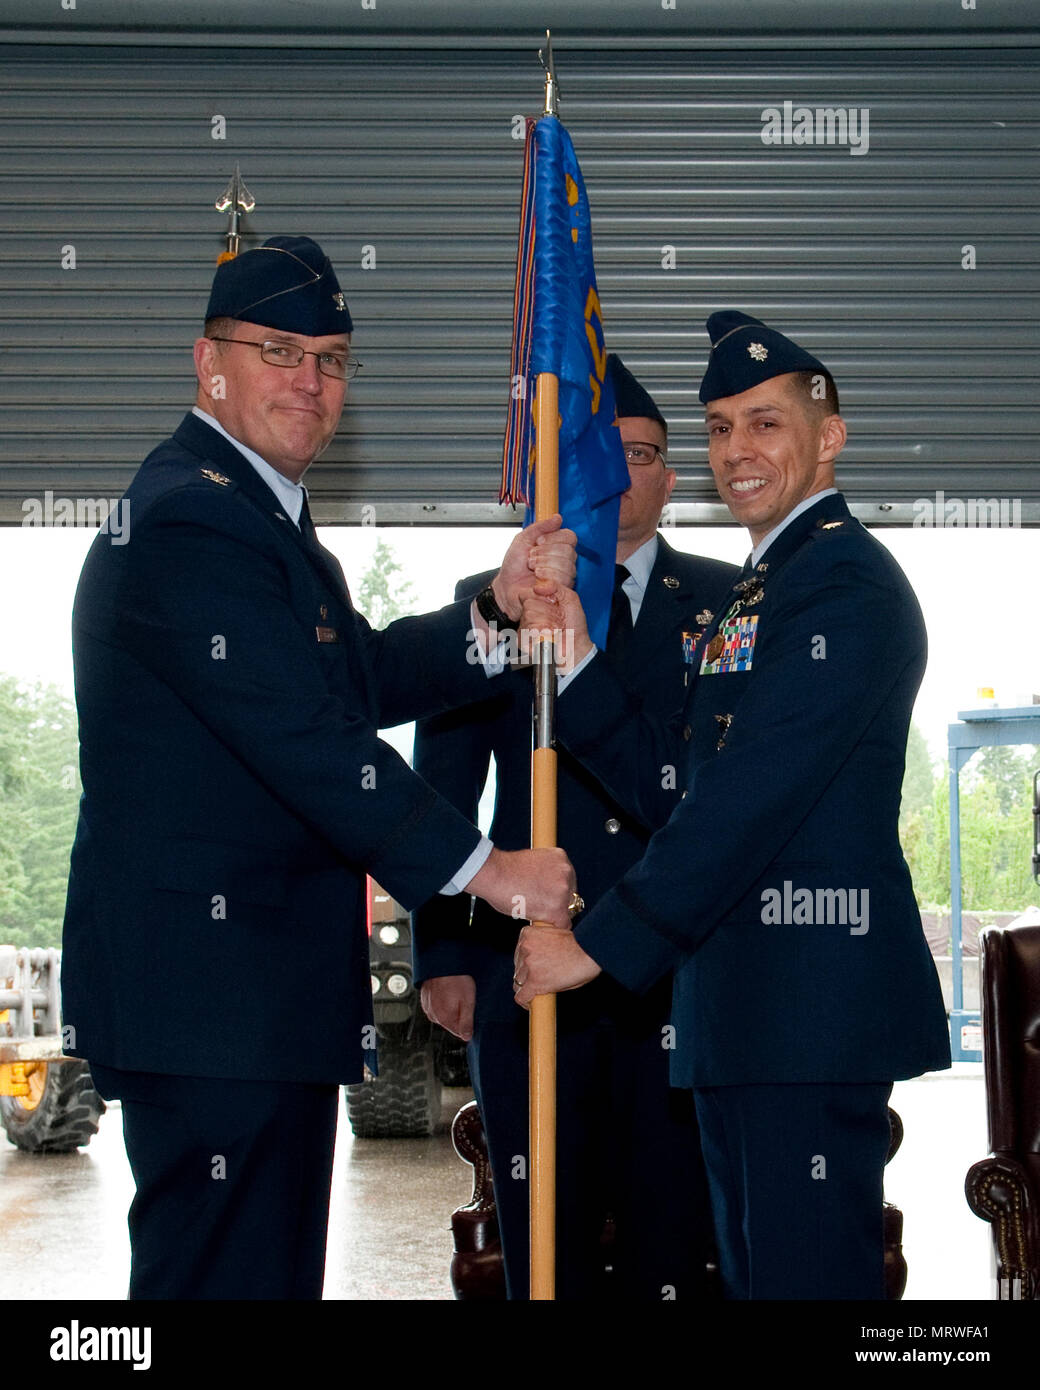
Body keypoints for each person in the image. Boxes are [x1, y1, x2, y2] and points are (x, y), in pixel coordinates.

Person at [60, 235, 577, 1300]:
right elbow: (305, 739)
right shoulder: (191, 517)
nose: (311, 380)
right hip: (214, 999)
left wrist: (491, 604)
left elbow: (358, 677)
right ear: (208, 361)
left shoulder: (259, 517)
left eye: (332, 359)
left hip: (250, 999)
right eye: (279, 350)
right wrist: (489, 869)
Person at [514, 311, 951, 1300]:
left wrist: (597, 945)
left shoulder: (843, 586)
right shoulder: (760, 593)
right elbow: (682, 782)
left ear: (827, 435)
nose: (733, 451)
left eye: (762, 423)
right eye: (716, 429)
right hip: (742, 1013)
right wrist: (575, 654)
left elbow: (750, 797)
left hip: (805, 1009)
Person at [413, 355, 738, 1300]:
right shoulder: (502, 597)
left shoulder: (721, 606)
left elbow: (723, 796)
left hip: (667, 974)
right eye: (602, 455)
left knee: (670, 1241)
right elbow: (444, 783)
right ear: (566, 473)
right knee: (542, 1247)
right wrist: (443, 951)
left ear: (671, 480)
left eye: (643, 455)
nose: (620, 475)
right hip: (527, 973)